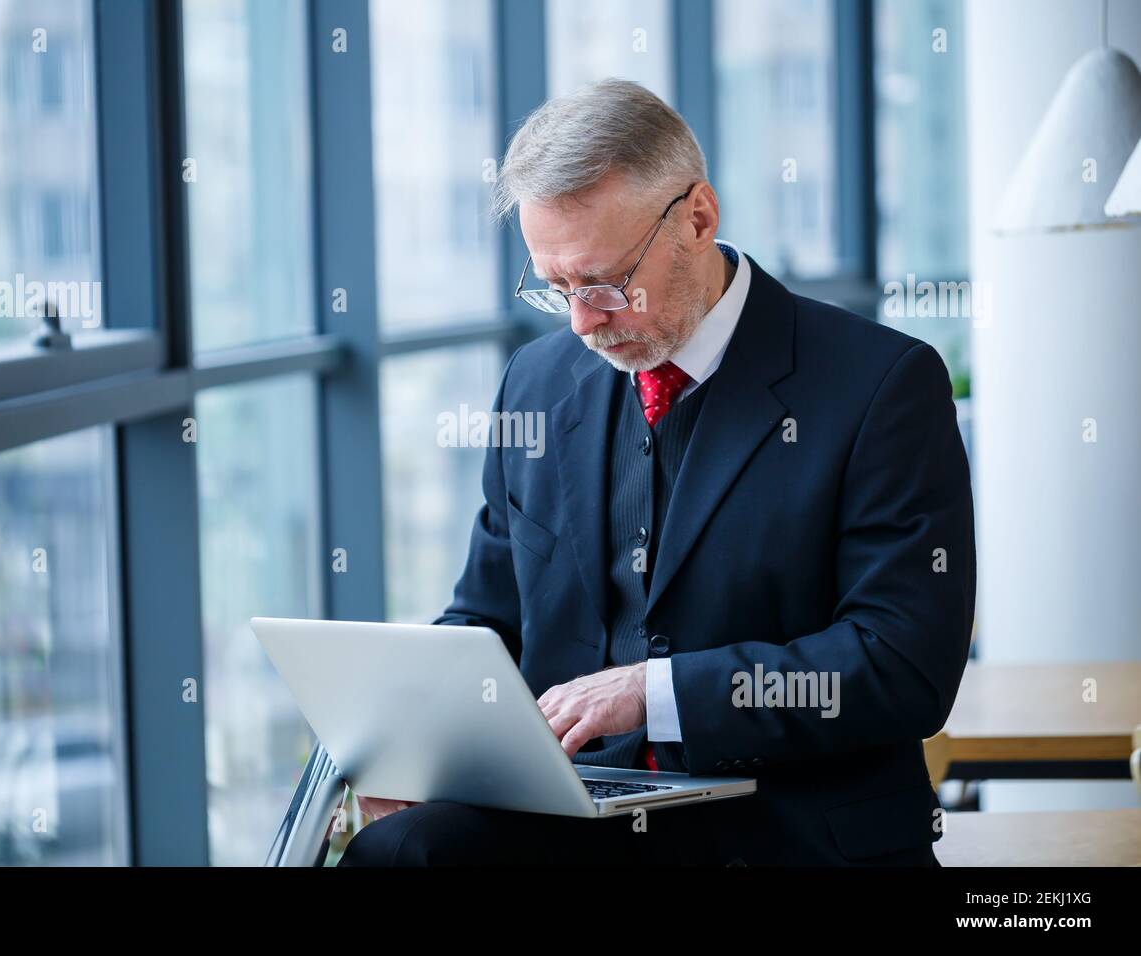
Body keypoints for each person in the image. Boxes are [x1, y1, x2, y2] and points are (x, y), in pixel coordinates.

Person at [342, 78, 974, 866]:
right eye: (557, 289)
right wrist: (412, 736)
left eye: (605, 284)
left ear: (699, 217)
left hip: (786, 825)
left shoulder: (880, 385)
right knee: (398, 851)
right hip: (577, 811)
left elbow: (900, 664)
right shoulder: (535, 383)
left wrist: (653, 692)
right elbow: (487, 620)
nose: (582, 323)